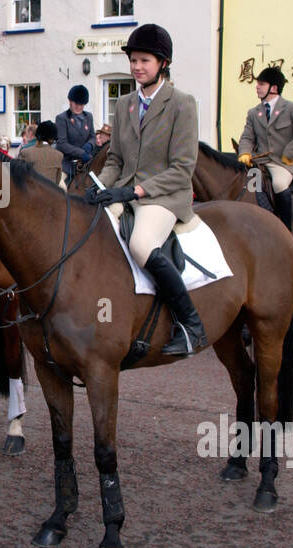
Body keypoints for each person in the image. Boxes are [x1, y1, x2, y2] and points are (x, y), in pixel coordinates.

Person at [86, 23, 206, 356]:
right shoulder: (124, 103)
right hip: (125, 191)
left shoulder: (183, 104)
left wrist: (135, 192)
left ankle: (190, 324)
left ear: (163, 64)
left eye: (145, 61)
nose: (137, 67)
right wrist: (97, 187)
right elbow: (114, 160)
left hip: (165, 196)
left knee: (140, 244)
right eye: (134, 60)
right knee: (88, 230)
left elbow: (182, 168)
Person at [236, 65, 293, 232]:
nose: (257, 87)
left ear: (273, 88)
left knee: (279, 184)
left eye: (261, 84)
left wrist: (290, 152)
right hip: (260, 161)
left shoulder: (291, 108)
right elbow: (247, 137)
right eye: (257, 83)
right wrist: (244, 151)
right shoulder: (253, 113)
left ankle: (286, 231)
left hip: (283, 163)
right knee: (246, 187)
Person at [55, 84, 95, 182]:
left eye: (81, 104)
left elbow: (92, 136)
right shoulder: (62, 118)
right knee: (60, 186)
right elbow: (62, 144)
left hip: (86, 162)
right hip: (67, 164)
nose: (79, 107)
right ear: (70, 101)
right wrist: (81, 153)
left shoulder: (88, 117)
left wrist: (90, 145)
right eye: (76, 104)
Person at [18, 119, 64, 186]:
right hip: (51, 193)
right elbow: (57, 180)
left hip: (30, 193)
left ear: (37, 135)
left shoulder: (25, 152)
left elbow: (19, 177)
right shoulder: (59, 155)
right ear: (52, 139)